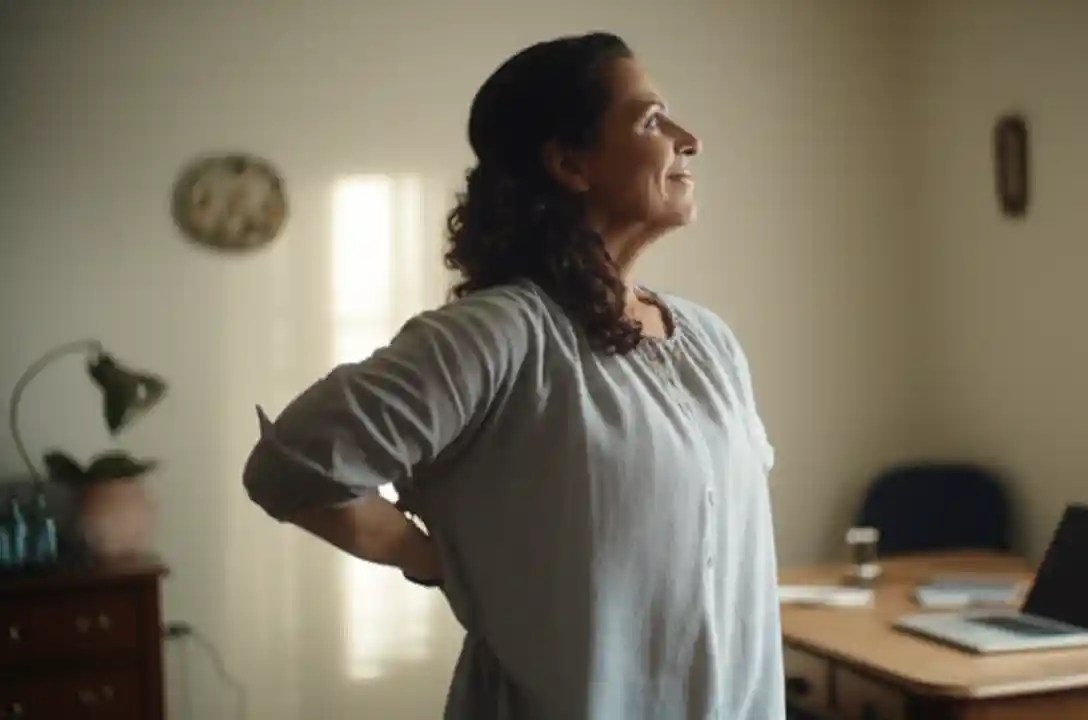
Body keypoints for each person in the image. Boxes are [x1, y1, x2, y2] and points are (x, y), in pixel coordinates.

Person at [242, 32, 783, 720]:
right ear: (569, 163)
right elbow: (293, 465)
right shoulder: (502, 333)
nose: (689, 139)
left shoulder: (711, 341)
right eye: (651, 120)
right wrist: (434, 560)